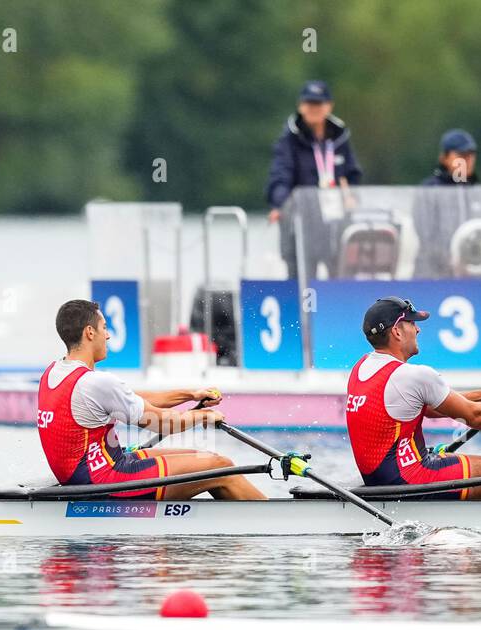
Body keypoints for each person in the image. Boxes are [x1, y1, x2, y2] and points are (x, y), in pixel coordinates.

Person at [38, 300, 266, 501]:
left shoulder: (53, 373)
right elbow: (164, 424)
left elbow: (130, 399)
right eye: (104, 328)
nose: (107, 335)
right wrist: (203, 416)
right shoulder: (95, 383)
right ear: (90, 332)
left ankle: (234, 525)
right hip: (104, 481)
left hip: (92, 473)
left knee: (208, 459)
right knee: (221, 467)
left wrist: (190, 395)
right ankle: (271, 521)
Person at [346, 297, 481, 500]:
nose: (418, 329)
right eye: (412, 323)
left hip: (380, 480)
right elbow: (475, 417)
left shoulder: (361, 368)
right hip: (413, 478)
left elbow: (431, 408)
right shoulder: (413, 375)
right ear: (397, 332)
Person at [265, 80, 363, 279]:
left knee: (341, 277)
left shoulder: (340, 139)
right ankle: (303, 309)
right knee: (301, 278)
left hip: (335, 222)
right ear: (301, 106)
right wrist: (280, 204)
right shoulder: (289, 140)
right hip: (301, 222)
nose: (314, 109)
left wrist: (351, 196)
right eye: (309, 104)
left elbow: (353, 174)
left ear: (329, 106)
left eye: (319, 104)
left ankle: (339, 309)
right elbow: (280, 176)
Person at [411, 128, 481, 278]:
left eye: (471, 155)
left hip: (476, 277)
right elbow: (426, 238)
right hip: (433, 277)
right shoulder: (429, 190)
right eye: (461, 155)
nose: (467, 160)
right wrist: (454, 263)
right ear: (444, 158)